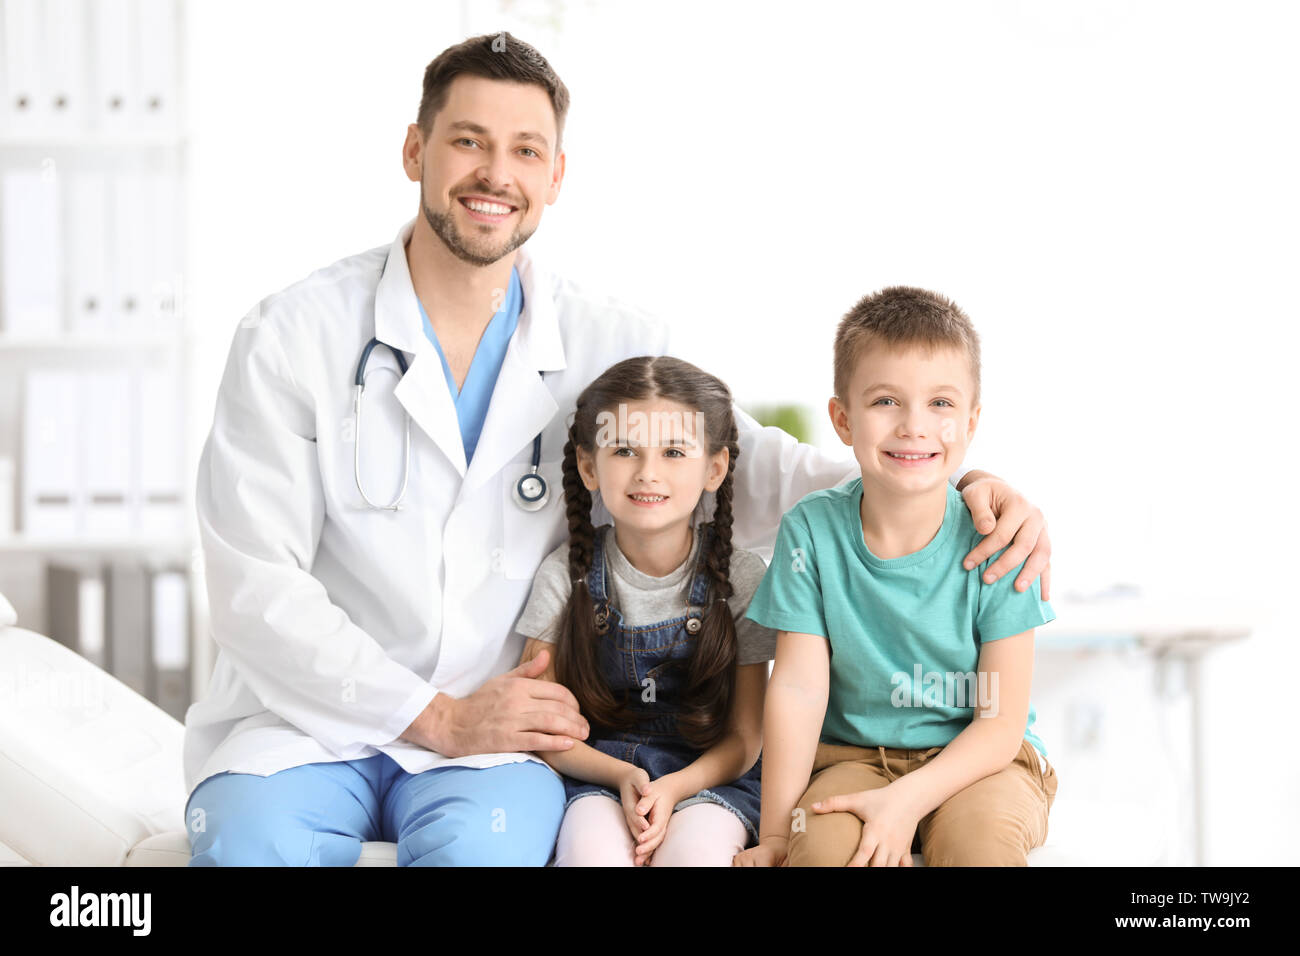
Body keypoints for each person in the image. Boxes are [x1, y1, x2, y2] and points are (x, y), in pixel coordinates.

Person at [183, 33, 1053, 867]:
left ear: (556, 176)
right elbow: (254, 584)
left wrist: (963, 486)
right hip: (314, 721)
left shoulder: (613, 341)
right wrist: (435, 716)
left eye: (526, 150)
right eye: (467, 142)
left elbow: (764, 470)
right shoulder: (290, 337)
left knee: (489, 849)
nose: (496, 173)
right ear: (415, 150)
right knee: (251, 844)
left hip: (505, 739)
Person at [735, 287, 1058, 868]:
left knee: (977, 851)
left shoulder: (1003, 540)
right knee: (822, 857)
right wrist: (778, 835)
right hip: (849, 758)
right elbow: (798, 690)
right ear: (842, 419)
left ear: (971, 421)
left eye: (940, 403)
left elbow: (1001, 723)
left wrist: (904, 801)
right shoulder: (811, 532)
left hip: (982, 761)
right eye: (886, 401)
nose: (914, 426)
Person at [514, 356, 775, 866]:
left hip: (711, 778)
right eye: (625, 450)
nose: (647, 473)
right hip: (598, 775)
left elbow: (746, 737)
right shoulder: (565, 576)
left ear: (714, 468)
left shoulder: (740, 579)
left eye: (674, 451)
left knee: (696, 856)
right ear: (590, 467)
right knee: (591, 855)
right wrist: (621, 776)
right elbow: (540, 726)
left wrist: (676, 787)